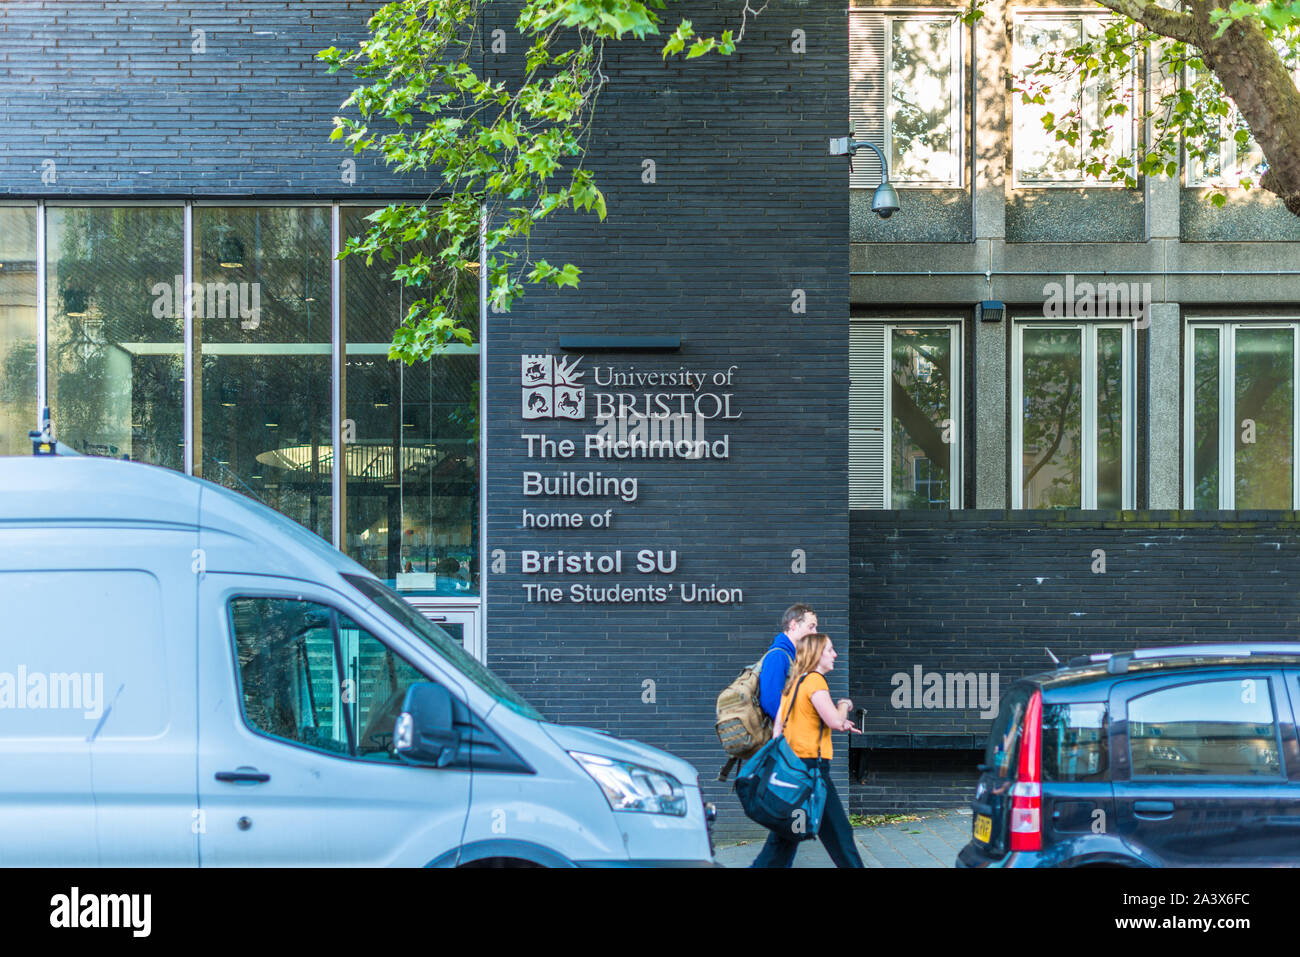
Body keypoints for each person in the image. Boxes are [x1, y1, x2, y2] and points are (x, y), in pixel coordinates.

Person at [751, 633, 864, 868]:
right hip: (812, 770)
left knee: (786, 838)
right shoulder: (815, 681)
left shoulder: (794, 684)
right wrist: (844, 705)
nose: (835, 654)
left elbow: (777, 731)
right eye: (830, 650)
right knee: (840, 833)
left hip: (792, 767)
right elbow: (834, 720)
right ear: (816, 654)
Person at [758, 604, 819, 723]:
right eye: (811, 627)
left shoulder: (793, 656)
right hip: (785, 734)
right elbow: (771, 701)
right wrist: (792, 726)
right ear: (793, 625)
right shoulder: (778, 656)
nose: (815, 633)